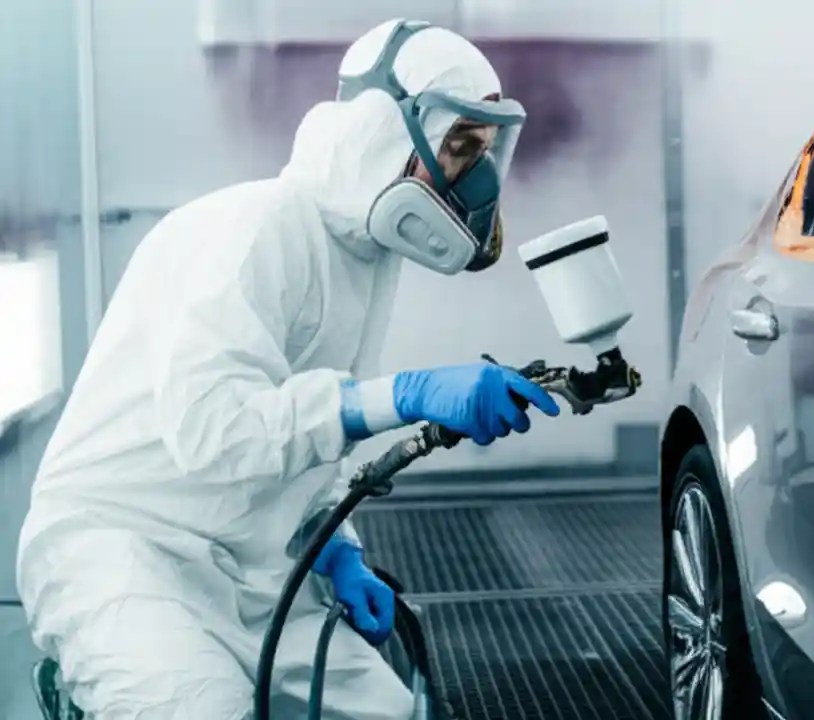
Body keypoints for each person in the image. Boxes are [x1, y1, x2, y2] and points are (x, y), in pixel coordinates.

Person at [15, 19, 558, 720]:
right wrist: (403, 395)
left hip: (252, 567)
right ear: (378, 129)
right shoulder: (256, 229)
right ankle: (86, 688)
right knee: (203, 708)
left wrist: (337, 550)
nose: (472, 178)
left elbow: (309, 453)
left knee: (399, 715)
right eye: (459, 147)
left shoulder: (366, 260)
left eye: (481, 154)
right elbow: (215, 431)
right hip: (123, 549)